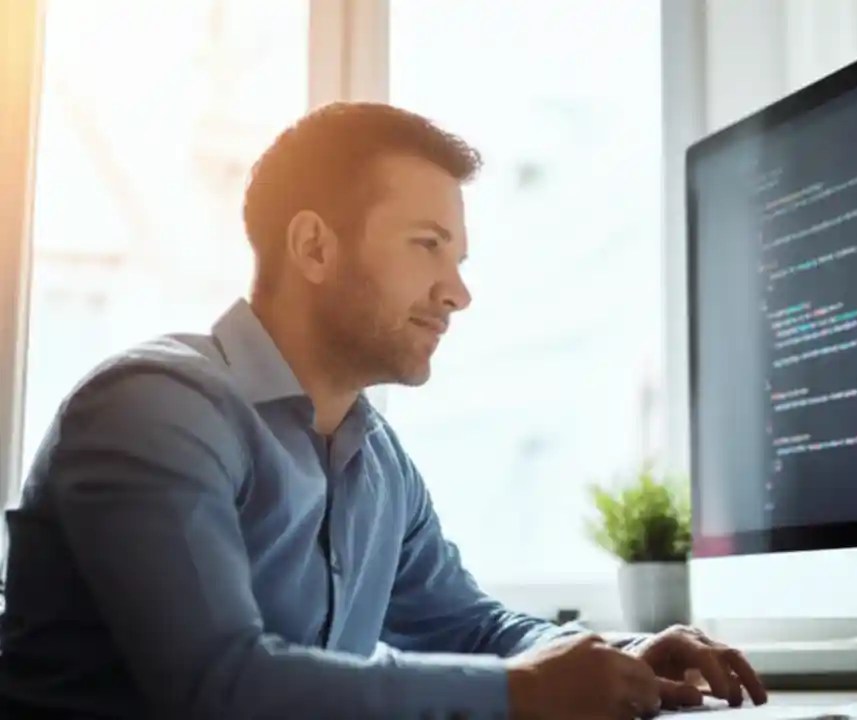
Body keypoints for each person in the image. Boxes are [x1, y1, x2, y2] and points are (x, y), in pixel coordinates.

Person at [0, 102, 768, 719]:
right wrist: (523, 695)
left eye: (458, 259)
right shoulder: (154, 411)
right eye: (427, 245)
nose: (457, 294)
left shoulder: (376, 460)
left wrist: (622, 653)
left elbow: (475, 627)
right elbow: (218, 686)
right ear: (314, 247)